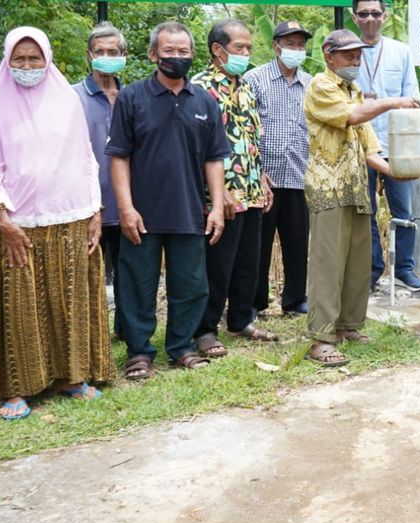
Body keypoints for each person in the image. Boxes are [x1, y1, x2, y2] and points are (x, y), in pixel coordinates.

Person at [0, 26, 114, 420]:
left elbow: (86, 158)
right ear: (7, 61)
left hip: (70, 217)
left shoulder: (66, 99)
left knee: (68, 301)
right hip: (19, 223)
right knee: (21, 303)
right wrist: (1, 217)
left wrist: (94, 211)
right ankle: (17, 388)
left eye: (35, 59)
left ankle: (71, 377)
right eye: (19, 59)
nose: (28, 66)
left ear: (47, 59)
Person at [106, 21, 229, 380]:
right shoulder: (132, 98)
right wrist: (126, 208)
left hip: (190, 211)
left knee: (191, 285)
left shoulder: (204, 101)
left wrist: (217, 207)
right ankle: (139, 352)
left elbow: (214, 159)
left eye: (184, 52)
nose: (177, 57)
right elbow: (119, 157)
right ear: (152, 54)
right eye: (169, 51)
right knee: (136, 284)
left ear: (193, 55)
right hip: (142, 214)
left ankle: (181, 347)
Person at [304, 30, 420, 367]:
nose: (356, 60)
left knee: (357, 260)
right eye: (348, 55)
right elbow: (351, 117)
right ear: (329, 55)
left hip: (356, 186)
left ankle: (349, 326)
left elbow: (368, 143)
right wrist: (393, 101)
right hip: (329, 187)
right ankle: (321, 339)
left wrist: (390, 170)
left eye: (359, 55)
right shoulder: (321, 86)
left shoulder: (353, 90)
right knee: (329, 263)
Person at [189, 19, 277, 358]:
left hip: (252, 191)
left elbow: (250, 140)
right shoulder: (199, 88)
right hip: (221, 196)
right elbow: (196, 146)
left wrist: (263, 180)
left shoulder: (245, 87)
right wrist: (218, 192)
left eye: (248, 48)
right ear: (217, 49)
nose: (245, 54)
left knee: (247, 263)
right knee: (217, 266)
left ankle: (241, 319)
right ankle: (205, 330)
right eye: (239, 47)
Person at [351, 0, 420, 293]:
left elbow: (414, 99)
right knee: (365, 211)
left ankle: (405, 269)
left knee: (404, 211)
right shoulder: (344, 50)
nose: (370, 18)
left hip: (397, 144)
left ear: (384, 16)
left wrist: (387, 102)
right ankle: (371, 270)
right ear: (355, 16)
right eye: (364, 13)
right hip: (359, 145)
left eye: (375, 13)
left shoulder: (400, 51)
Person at [246, 20, 312, 317]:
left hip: (299, 176)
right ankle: (254, 302)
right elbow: (245, 128)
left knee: (297, 244)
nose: (296, 50)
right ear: (275, 46)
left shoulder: (311, 84)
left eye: (300, 45)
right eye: (290, 44)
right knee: (257, 246)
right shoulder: (255, 79)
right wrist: (255, 171)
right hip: (263, 178)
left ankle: (295, 300)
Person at [74, 23, 126, 337]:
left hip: (126, 206)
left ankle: (125, 330)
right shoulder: (71, 97)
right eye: (100, 52)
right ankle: (88, 335)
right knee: (86, 276)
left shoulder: (132, 97)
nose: (107, 57)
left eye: (113, 52)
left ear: (124, 56)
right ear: (89, 55)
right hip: (84, 205)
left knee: (128, 275)